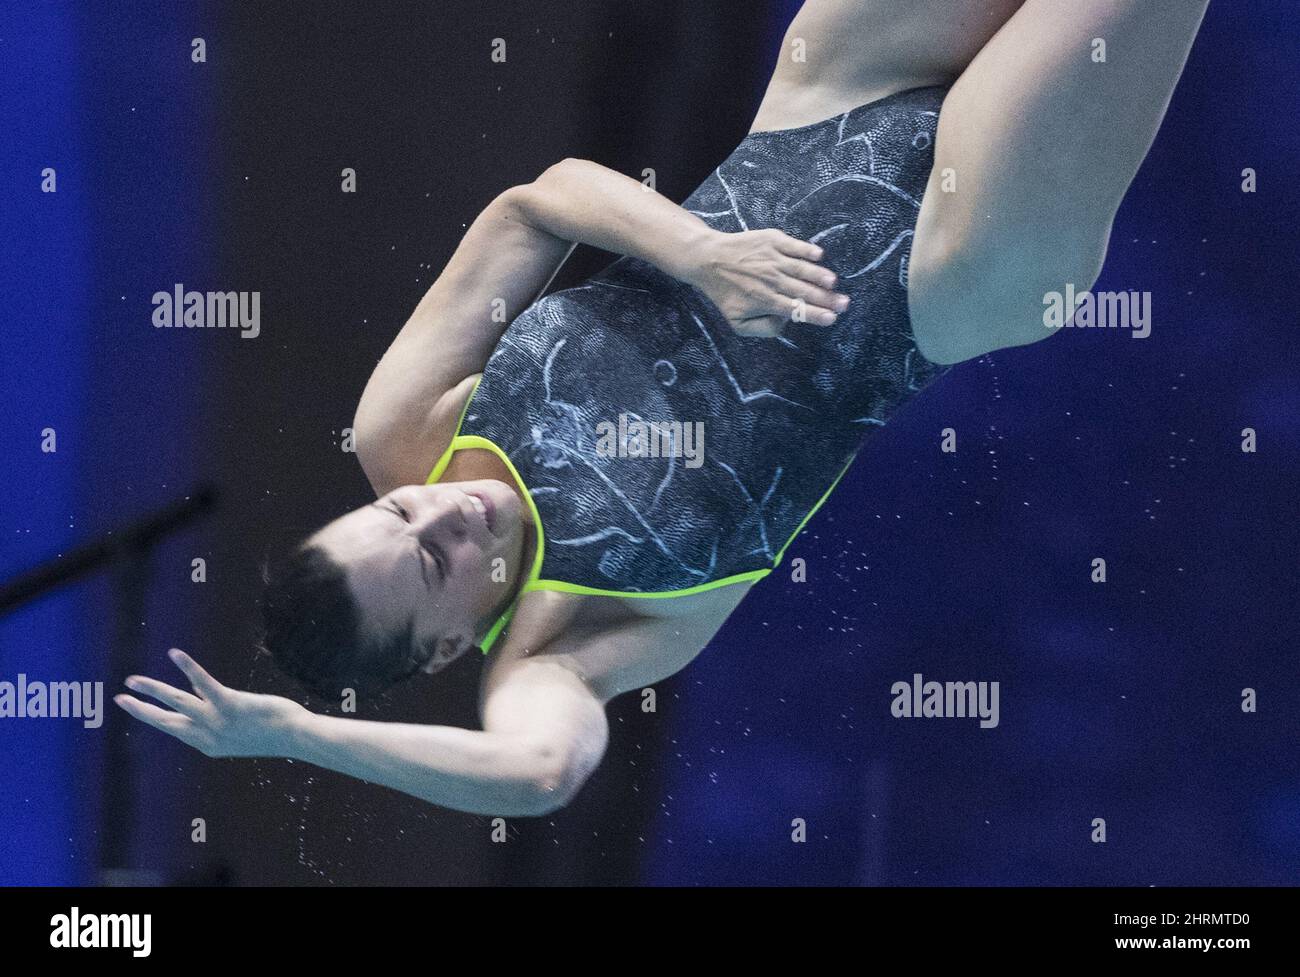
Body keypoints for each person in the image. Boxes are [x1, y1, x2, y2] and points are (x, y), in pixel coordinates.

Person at [116, 0, 1211, 816]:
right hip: (950, 271)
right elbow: (537, 774)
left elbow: (534, 203)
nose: (445, 517)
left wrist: (703, 254)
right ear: (448, 649)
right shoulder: (561, 650)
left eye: (398, 516)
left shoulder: (404, 426)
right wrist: (302, 739)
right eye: (438, 566)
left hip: (822, 102)